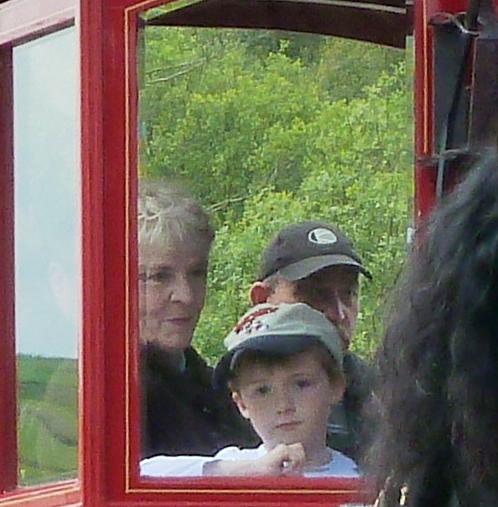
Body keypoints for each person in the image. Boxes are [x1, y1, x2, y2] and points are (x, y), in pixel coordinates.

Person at [136, 179, 253, 463]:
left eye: (197, 273)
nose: (186, 296)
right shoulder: (110, 398)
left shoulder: (218, 389)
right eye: (160, 276)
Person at [246, 220, 374, 459]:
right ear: (262, 300)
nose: (338, 313)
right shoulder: (222, 402)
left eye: (348, 294)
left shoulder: (387, 399)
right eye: (315, 294)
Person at [217, 304, 364, 478]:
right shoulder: (229, 468)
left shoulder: (358, 480)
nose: (284, 405)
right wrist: (245, 470)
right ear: (242, 404)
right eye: (262, 390)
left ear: (336, 386)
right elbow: (176, 469)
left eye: (301, 384)